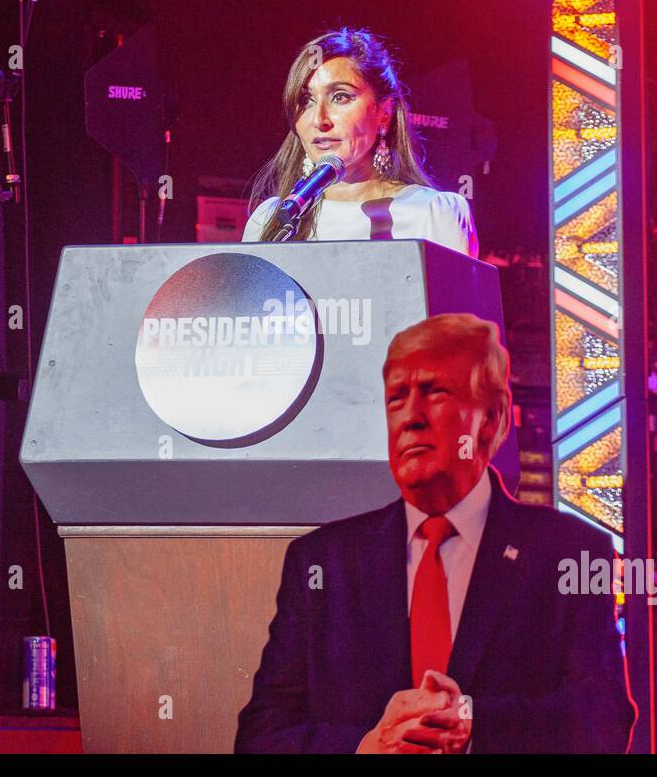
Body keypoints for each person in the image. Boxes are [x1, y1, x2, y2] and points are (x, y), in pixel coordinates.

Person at [235, 313, 635, 753]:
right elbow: (262, 738)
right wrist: (367, 747)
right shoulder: (321, 563)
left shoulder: (571, 553)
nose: (411, 418)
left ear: (491, 417)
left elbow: (602, 719)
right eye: (396, 399)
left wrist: (466, 721)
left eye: (434, 392)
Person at [241, 27, 479, 258]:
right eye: (306, 100)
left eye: (340, 97)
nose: (319, 119)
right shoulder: (270, 220)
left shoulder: (432, 213)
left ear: (384, 111)